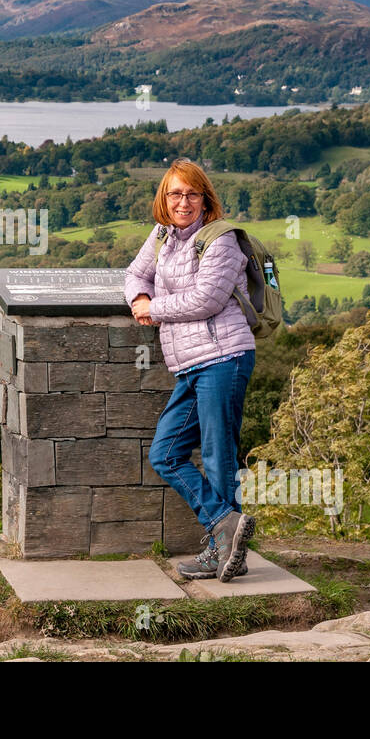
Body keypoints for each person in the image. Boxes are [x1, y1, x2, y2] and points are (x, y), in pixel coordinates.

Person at [124, 157, 256, 581]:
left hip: (224, 358)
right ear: (164, 198)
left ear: (205, 198)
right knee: (166, 453)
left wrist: (154, 308)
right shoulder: (162, 235)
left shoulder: (221, 240)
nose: (183, 201)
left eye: (191, 193)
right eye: (175, 193)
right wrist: (136, 299)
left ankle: (222, 549)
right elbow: (134, 273)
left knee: (219, 456)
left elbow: (207, 300)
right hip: (190, 365)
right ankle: (225, 525)